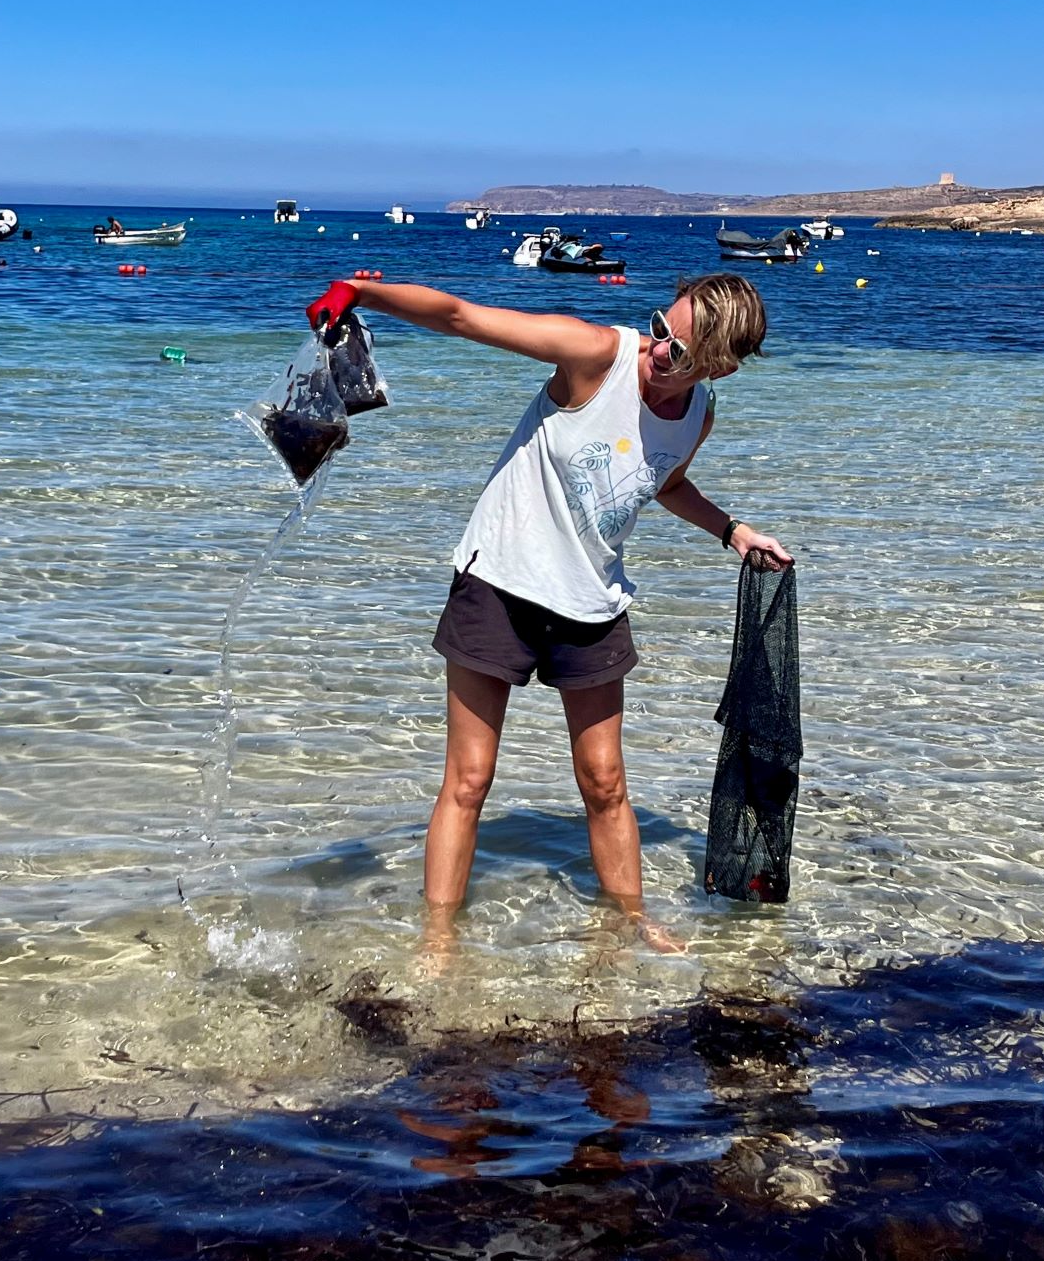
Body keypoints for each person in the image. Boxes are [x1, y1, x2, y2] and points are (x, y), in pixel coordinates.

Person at [305, 273, 792, 954]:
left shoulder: (699, 414)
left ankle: (626, 925)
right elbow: (462, 313)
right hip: (498, 581)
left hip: (590, 602)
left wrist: (731, 530)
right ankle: (439, 941)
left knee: (606, 782)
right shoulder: (595, 354)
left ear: (720, 367)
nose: (657, 350)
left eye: (679, 352)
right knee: (469, 779)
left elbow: (666, 482)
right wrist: (359, 293)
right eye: (659, 327)